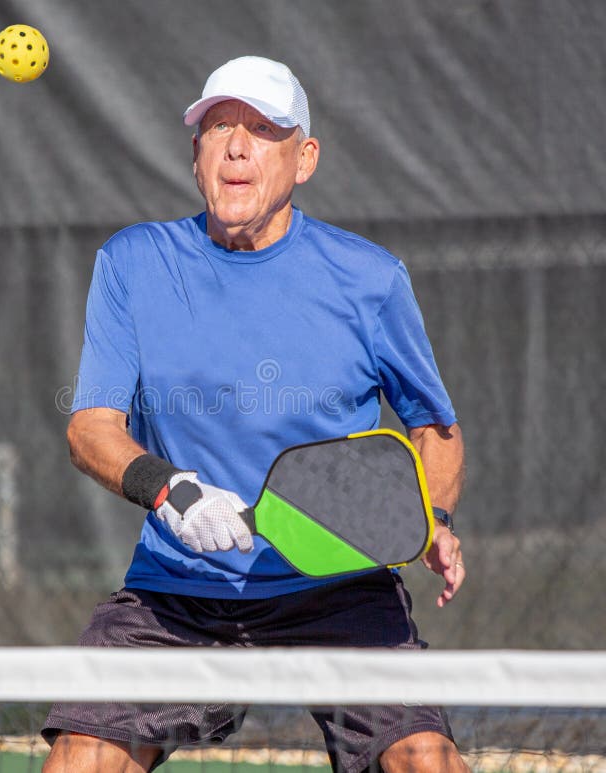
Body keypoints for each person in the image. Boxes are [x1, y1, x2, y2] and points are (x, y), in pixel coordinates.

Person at [41, 55, 468, 773]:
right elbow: (91, 429)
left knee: (425, 760)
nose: (237, 146)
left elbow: (435, 429)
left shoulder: (370, 279)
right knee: (83, 759)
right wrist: (172, 490)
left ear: (305, 159)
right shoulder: (134, 263)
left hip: (339, 585)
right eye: (219, 128)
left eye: (264, 129)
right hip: (177, 592)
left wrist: (434, 516)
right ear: (196, 155)